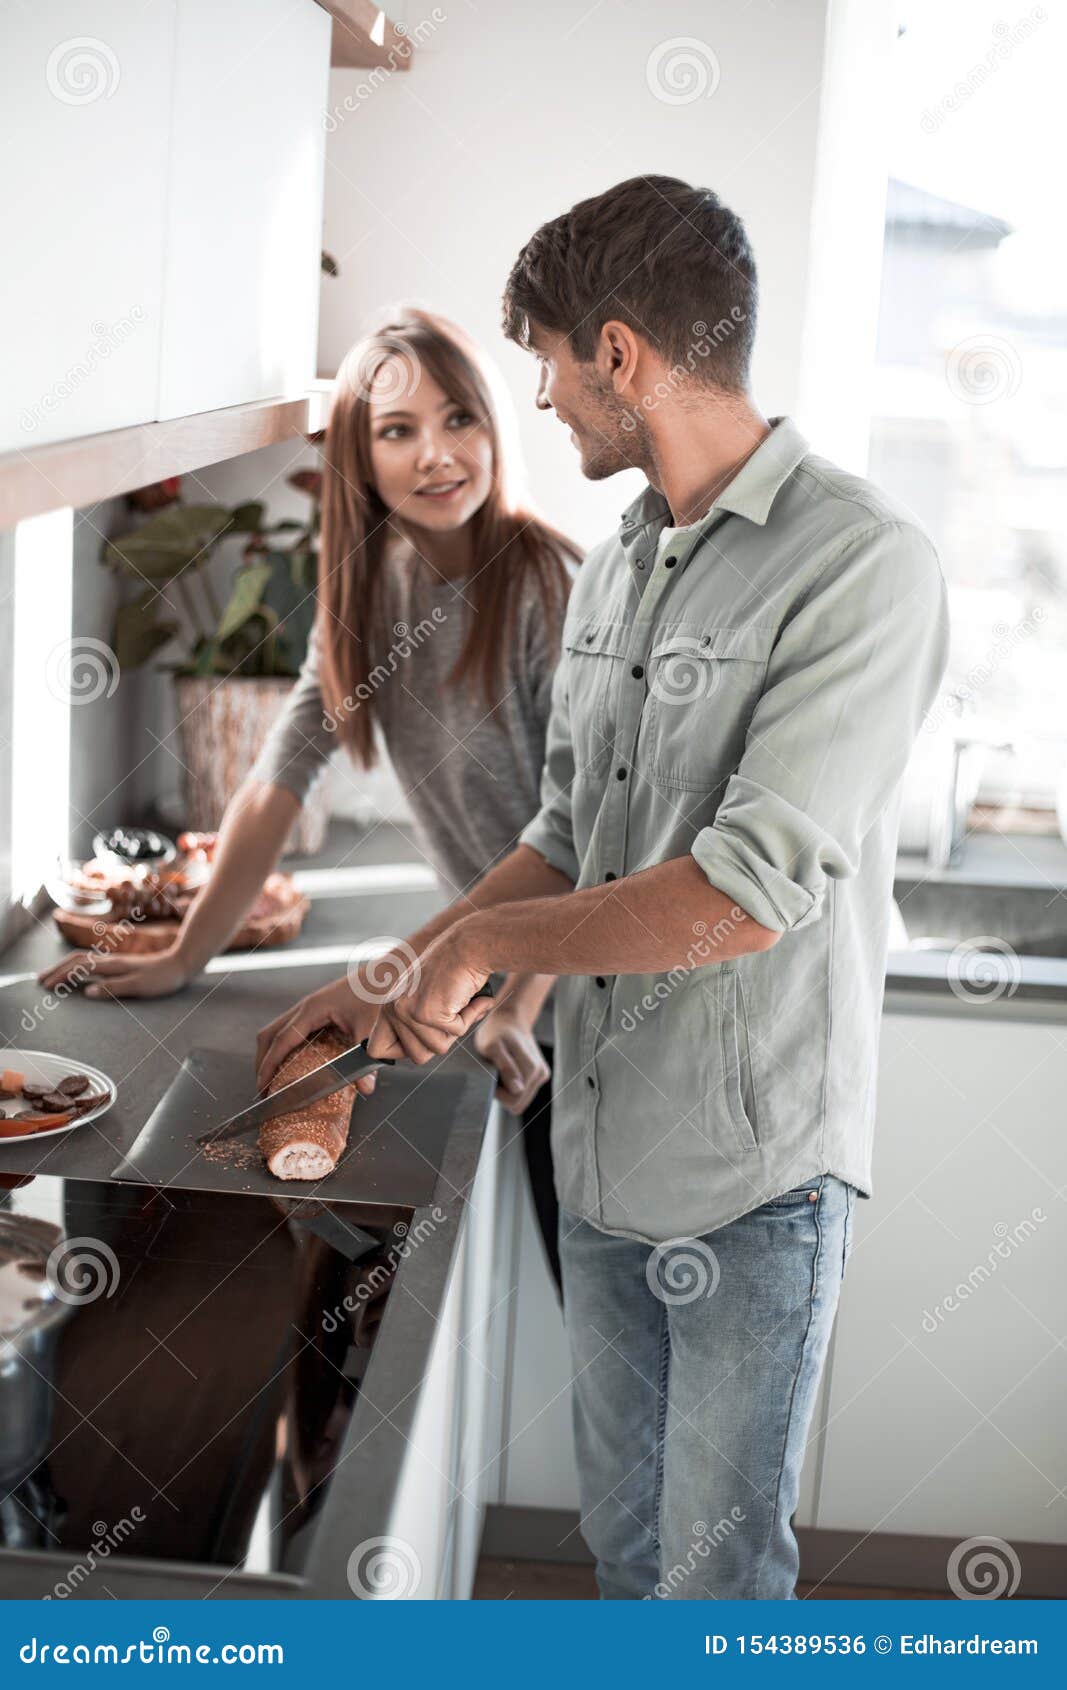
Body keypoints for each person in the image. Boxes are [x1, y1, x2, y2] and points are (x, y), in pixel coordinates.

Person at [275, 177, 950, 1599]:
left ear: (619, 353)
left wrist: (493, 949)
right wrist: (398, 970)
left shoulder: (859, 562)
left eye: (545, 363)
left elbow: (741, 890)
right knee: (627, 1553)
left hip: (753, 1182)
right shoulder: (626, 560)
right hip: (597, 1154)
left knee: (712, 1586)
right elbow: (568, 827)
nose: (539, 400)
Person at [38, 308, 580, 1294]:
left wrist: (520, 1005)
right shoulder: (370, 587)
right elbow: (279, 775)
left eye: (458, 418)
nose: (437, 453)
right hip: (487, 982)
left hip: (587, 996)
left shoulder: (549, 584)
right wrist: (185, 952)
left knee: (603, 1307)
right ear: (359, 461)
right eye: (396, 429)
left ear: (494, 423)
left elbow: (581, 835)